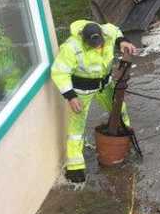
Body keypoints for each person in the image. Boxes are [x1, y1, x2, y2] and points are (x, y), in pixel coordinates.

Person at [50, 20, 138, 183]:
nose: (98, 47)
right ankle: (75, 169)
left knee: (120, 110)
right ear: (84, 39)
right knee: (76, 127)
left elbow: (117, 31)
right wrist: (70, 96)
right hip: (82, 91)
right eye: (93, 45)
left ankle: (125, 140)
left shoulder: (108, 31)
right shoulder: (71, 48)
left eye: (99, 44)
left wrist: (123, 41)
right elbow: (59, 72)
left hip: (104, 85)